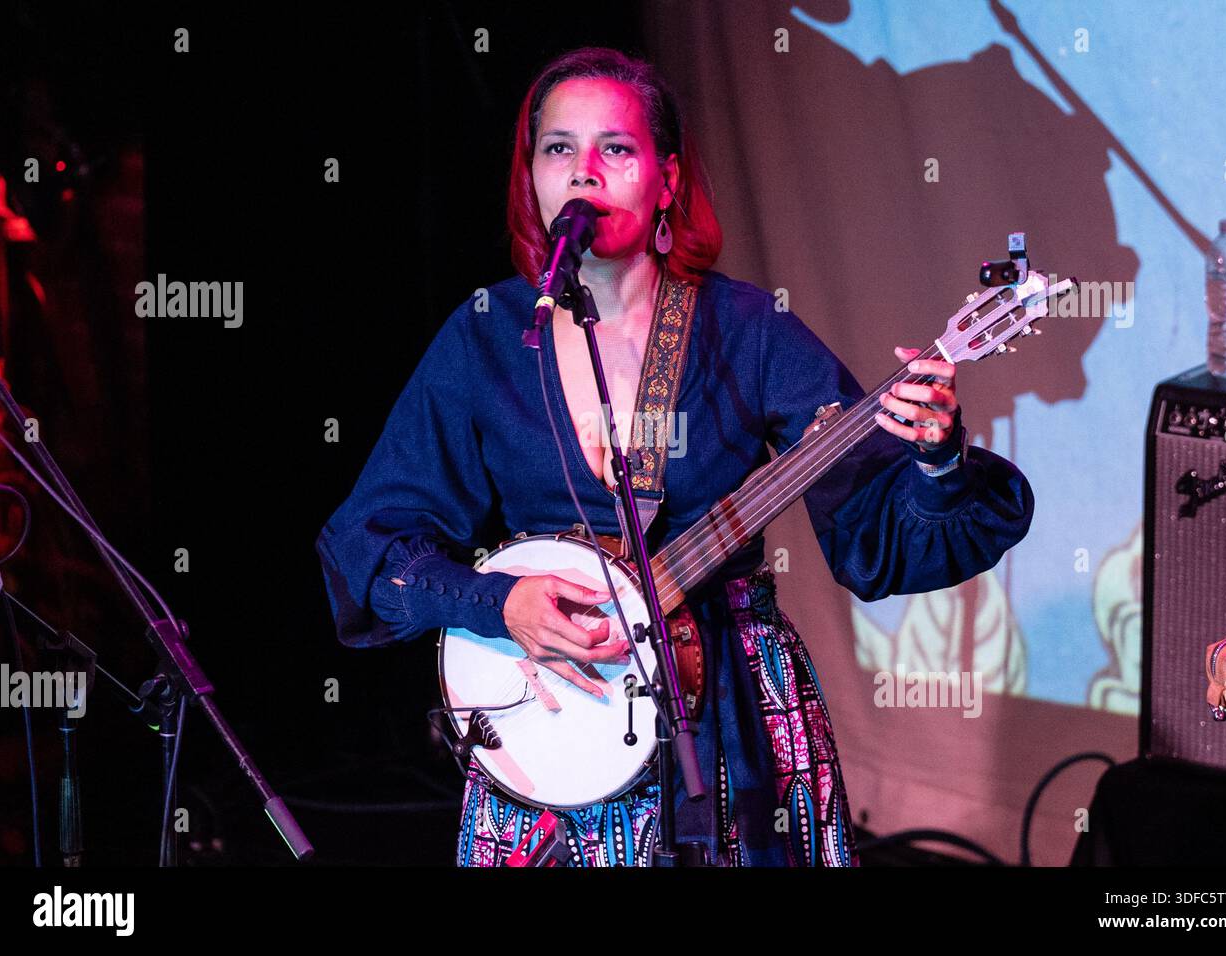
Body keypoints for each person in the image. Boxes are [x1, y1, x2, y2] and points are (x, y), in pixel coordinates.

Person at [315, 47, 1034, 867]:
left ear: (666, 178)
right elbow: (371, 543)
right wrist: (497, 604)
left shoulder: (748, 329)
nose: (584, 173)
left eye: (615, 150)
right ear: (532, 178)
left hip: (730, 717)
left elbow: (875, 536)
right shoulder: (484, 335)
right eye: (559, 150)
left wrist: (937, 460)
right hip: (545, 726)